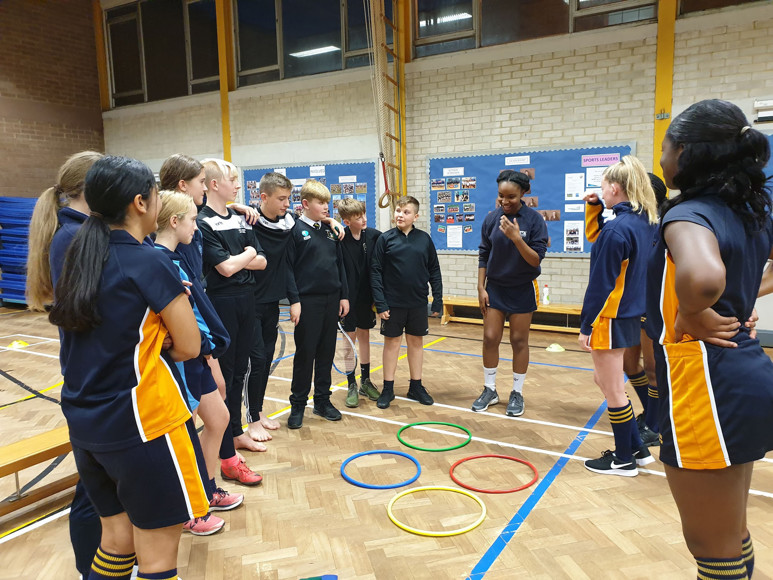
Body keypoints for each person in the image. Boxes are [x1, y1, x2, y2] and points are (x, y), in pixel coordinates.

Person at [49, 155, 207, 580]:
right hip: (142, 424)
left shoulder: (76, 253)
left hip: (86, 426)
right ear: (141, 202)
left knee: (116, 542)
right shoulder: (148, 261)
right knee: (157, 558)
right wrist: (162, 346)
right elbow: (190, 346)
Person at [647, 99, 773, 579]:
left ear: (686, 153)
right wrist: (740, 296)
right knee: (731, 531)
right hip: (743, 372)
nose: (661, 159)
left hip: (708, 381)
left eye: (665, 146)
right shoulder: (750, 209)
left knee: (713, 545)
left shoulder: (687, 214)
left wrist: (694, 312)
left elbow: (700, 278)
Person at [157, 154, 249, 528]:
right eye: (199, 181)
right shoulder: (164, 253)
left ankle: (206, 489)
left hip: (200, 346)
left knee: (220, 415)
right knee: (189, 428)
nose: (203, 186)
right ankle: (191, 506)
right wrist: (204, 352)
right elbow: (183, 310)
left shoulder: (184, 233)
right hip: (186, 351)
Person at [26, 151, 104, 578]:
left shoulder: (84, 230)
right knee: (92, 493)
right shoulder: (72, 237)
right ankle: (88, 570)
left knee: (102, 489)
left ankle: (106, 565)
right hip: (90, 381)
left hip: (94, 375)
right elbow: (89, 310)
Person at [578, 155, 658, 476]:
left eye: (603, 187)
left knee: (612, 388)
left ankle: (624, 458)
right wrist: (596, 207)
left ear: (614, 187)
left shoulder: (617, 230)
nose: (601, 191)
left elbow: (600, 285)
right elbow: (601, 240)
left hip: (610, 317)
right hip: (630, 314)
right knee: (606, 380)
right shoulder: (646, 223)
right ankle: (638, 449)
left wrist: (586, 325)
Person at [197, 159, 267, 483]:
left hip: (246, 300)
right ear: (213, 184)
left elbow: (262, 261)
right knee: (223, 378)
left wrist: (243, 257)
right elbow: (223, 269)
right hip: (221, 301)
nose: (238, 185)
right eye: (232, 180)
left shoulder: (242, 217)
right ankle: (226, 451)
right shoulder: (202, 222)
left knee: (241, 369)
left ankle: (236, 433)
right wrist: (247, 255)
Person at [472, 170, 548, 416]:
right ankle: (490, 389)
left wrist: (517, 238)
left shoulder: (534, 221)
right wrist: (481, 287)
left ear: (524, 193)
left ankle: (517, 392)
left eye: (511, 197)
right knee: (490, 337)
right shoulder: (492, 219)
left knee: (518, 341)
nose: (505, 201)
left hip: (522, 288)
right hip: (494, 288)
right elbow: (484, 254)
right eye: (500, 196)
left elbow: (535, 260)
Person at [285, 179, 349, 429]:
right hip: (307, 302)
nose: (326, 208)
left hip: (332, 300)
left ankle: (322, 401)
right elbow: (288, 269)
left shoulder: (331, 230)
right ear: (305, 204)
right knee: (305, 354)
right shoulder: (294, 229)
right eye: (321, 203)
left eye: (328, 203)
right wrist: (295, 300)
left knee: (326, 353)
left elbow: (339, 265)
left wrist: (343, 295)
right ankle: (298, 405)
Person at [370, 196, 443, 409]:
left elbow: (434, 270)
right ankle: (388, 388)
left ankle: (416, 386)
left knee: (416, 343)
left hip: (418, 302)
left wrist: (437, 301)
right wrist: (380, 303)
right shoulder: (385, 239)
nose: (400, 215)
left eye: (406, 212)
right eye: (398, 211)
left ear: (416, 216)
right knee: (392, 344)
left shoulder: (424, 239)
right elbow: (375, 272)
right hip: (392, 304)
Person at [338, 197, 382, 408]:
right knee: (350, 340)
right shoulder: (339, 237)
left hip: (367, 298)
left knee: (364, 336)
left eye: (364, 214)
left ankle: (365, 380)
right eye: (358, 217)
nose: (364, 219)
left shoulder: (373, 236)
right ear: (347, 221)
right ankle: (351, 384)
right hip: (347, 299)